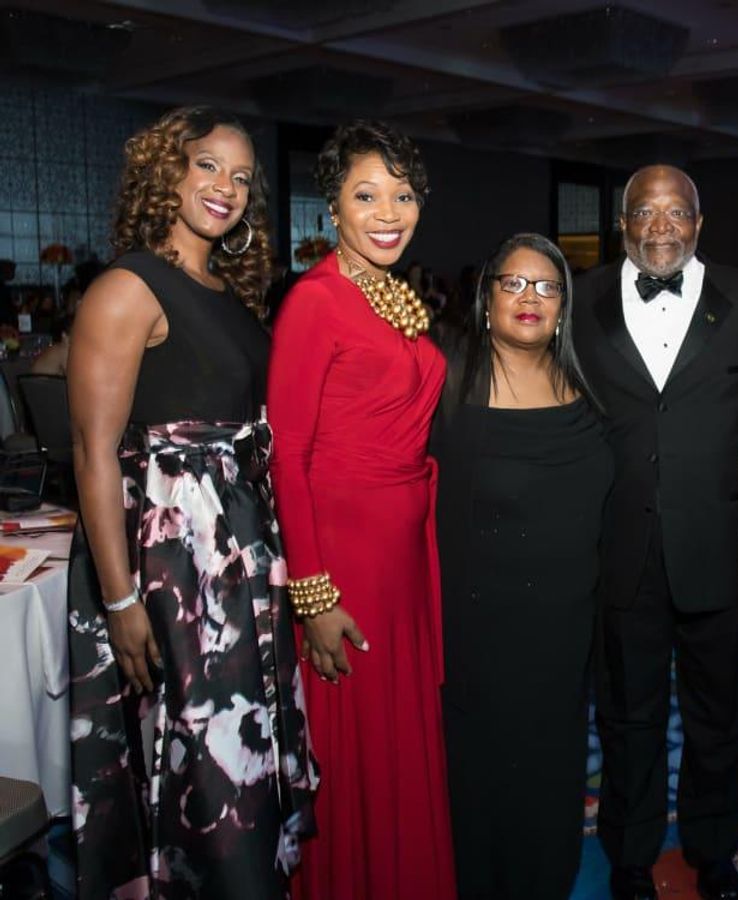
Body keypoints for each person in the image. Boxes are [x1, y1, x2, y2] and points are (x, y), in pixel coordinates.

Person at [67, 105, 316, 900]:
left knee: (238, 751)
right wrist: (120, 598)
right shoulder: (127, 286)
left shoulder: (225, 289)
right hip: (176, 571)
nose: (226, 188)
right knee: (197, 762)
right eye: (208, 165)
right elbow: (94, 453)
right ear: (166, 170)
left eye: (242, 177)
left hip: (242, 558)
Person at [267, 120, 456, 899]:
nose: (388, 212)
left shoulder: (388, 292)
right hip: (345, 562)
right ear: (332, 210)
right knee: (354, 754)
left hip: (404, 554)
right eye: (366, 195)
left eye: (403, 195)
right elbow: (287, 455)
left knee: (399, 743)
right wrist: (314, 596)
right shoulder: (315, 301)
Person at [573, 165, 738, 900]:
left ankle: (715, 851)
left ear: (699, 223)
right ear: (622, 223)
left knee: (720, 715)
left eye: (677, 212)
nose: (661, 227)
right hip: (619, 547)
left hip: (717, 541)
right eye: (645, 213)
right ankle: (629, 854)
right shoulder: (580, 300)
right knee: (627, 717)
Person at [431, 233, 613, 897]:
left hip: (564, 625)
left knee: (551, 761)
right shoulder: (447, 381)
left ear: (564, 305)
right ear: (486, 299)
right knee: (481, 770)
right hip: (479, 625)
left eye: (546, 286)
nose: (529, 298)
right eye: (514, 283)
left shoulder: (585, 380)